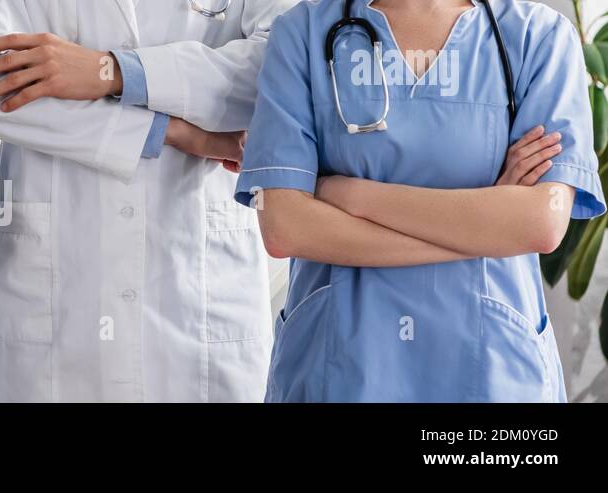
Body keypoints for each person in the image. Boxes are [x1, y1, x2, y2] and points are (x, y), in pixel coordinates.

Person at [236, 0, 604, 402]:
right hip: (341, 367)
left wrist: (351, 195)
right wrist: (487, 226)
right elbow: (286, 228)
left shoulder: (539, 37)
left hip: (494, 372)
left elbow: (540, 225)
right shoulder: (302, 32)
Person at [0, 0, 299, 402]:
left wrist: (115, 72)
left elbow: (282, 65)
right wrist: (169, 130)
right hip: (54, 301)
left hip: (195, 280)